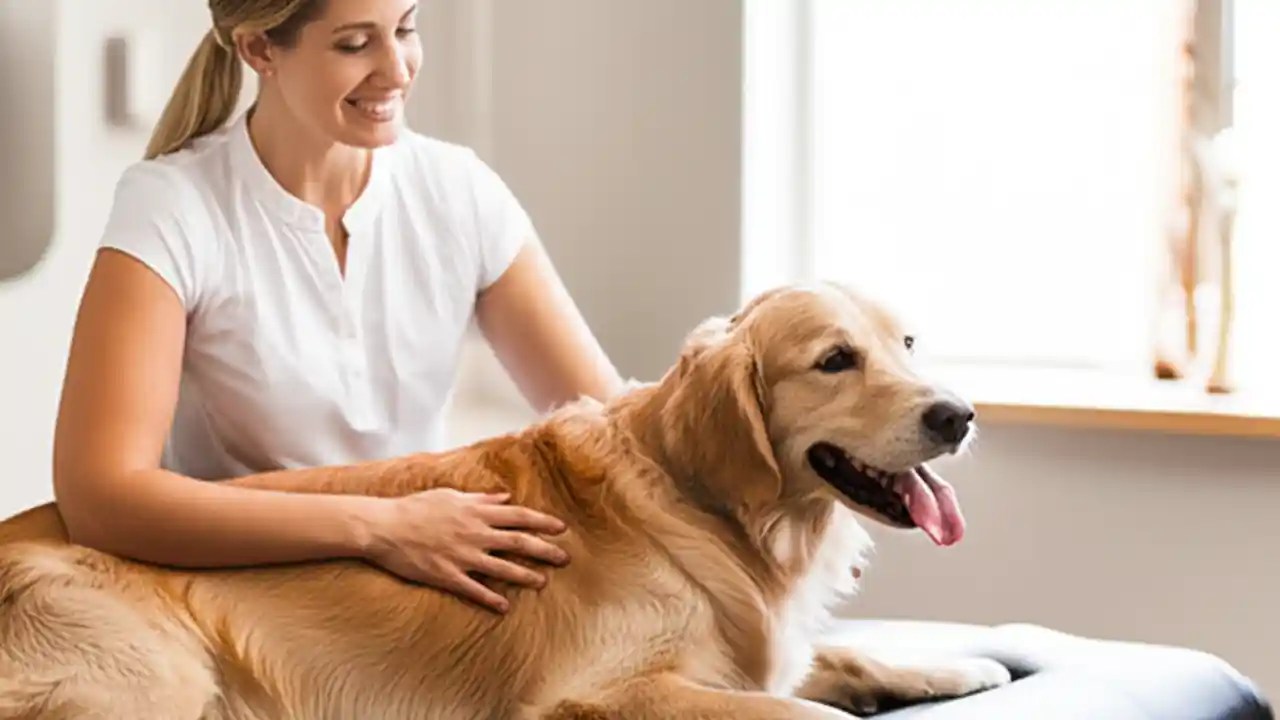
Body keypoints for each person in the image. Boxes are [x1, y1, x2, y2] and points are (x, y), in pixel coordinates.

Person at [50, 0, 625, 615]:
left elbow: (612, 430)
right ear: (260, 50)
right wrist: (379, 527)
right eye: (355, 45)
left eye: (406, 29)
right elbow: (100, 496)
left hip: (422, 581)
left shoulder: (459, 192)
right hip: (241, 601)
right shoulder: (174, 207)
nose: (397, 69)